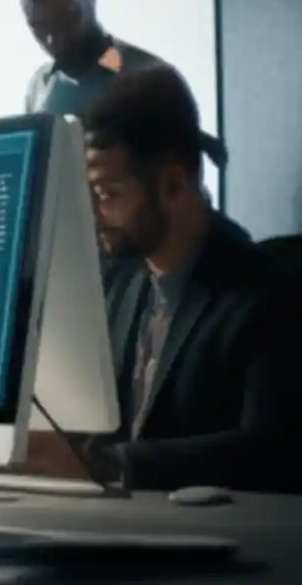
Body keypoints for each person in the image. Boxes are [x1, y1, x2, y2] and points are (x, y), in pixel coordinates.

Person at [24, 65, 301, 492]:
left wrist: (114, 465)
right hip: (115, 532)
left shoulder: (267, 295)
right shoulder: (116, 282)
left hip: (217, 546)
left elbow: (272, 450)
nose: (95, 215)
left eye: (106, 194)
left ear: (172, 183)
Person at [20, 0, 165, 117]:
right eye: (39, 27)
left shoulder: (147, 77)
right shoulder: (39, 86)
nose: (53, 39)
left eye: (66, 20)